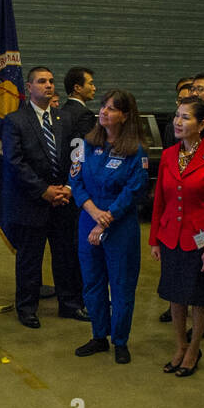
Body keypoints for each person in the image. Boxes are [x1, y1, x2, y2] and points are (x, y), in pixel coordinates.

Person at [1, 66, 89, 328]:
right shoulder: (15, 121)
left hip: (63, 201)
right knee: (30, 259)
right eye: (42, 82)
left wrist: (69, 188)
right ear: (29, 87)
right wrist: (44, 190)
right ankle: (27, 308)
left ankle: (70, 304)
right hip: (31, 202)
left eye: (51, 81)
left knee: (66, 256)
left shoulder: (65, 119)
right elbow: (14, 162)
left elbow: (78, 154)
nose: (48, 86)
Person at [70, 90, 149, 363]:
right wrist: (93, 212)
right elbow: (76, 183)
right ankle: (98, 335)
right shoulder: (84, 145)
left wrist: (108, 217)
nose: (104, 112)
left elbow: (134, 189)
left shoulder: (135, 151)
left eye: (112, 109)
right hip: (89, 219)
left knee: (121, 284)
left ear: (125, 116)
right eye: (103, 106)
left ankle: (120, 340)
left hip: (120, 226)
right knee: (92, 282)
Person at [151, 97, 204, 376]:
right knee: (175, 295)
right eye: (177, 116)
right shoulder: (169, 155)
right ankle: (180, 345)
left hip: (199, 240)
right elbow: (160, 198)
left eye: (186, 117)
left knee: (198, 297)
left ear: (202, 124)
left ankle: (194, 348)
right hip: (171, 237)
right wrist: (155, 239)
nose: (177, 122)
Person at [61, 67, 97, 141]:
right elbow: (87, 145)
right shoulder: (85, 114)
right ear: (77, 88)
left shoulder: (62, 111)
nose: (94, 88)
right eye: (91, 83)